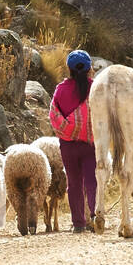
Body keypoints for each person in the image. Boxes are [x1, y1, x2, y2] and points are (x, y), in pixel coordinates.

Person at [49, 49, 98, 232]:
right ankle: (94, 215)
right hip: (90, 143)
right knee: (92, 180)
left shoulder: (60, 89)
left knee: (74, 183)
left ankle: (78, 223)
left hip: (68, 145)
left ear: (68, 68)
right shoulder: (95, 88)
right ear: (89, 68)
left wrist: (69, 128)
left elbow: (54, 115)